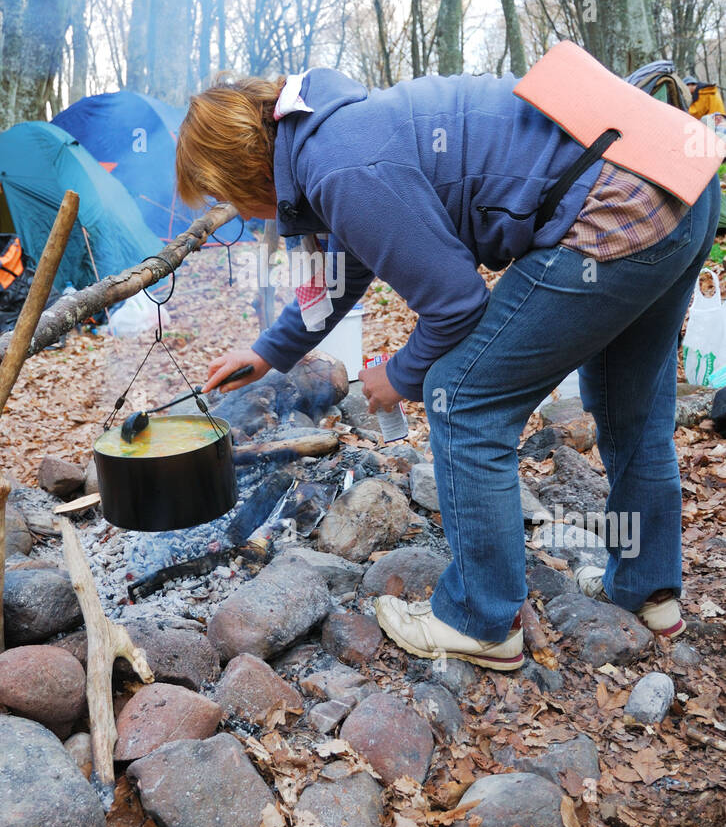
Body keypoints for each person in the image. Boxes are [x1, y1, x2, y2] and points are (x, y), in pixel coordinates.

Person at [174, 64, 722, 670]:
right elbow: (348, 262)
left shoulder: (339, 166)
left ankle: (480, 620)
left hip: (620, 207)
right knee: (631, 407)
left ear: (244, 170)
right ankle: (647, 592)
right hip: (680, 180)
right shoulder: (330, 137)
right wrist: (267, 353)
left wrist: (400, 376)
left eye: (229, 198)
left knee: (461, 398)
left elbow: (457, 303)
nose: (243, 213)